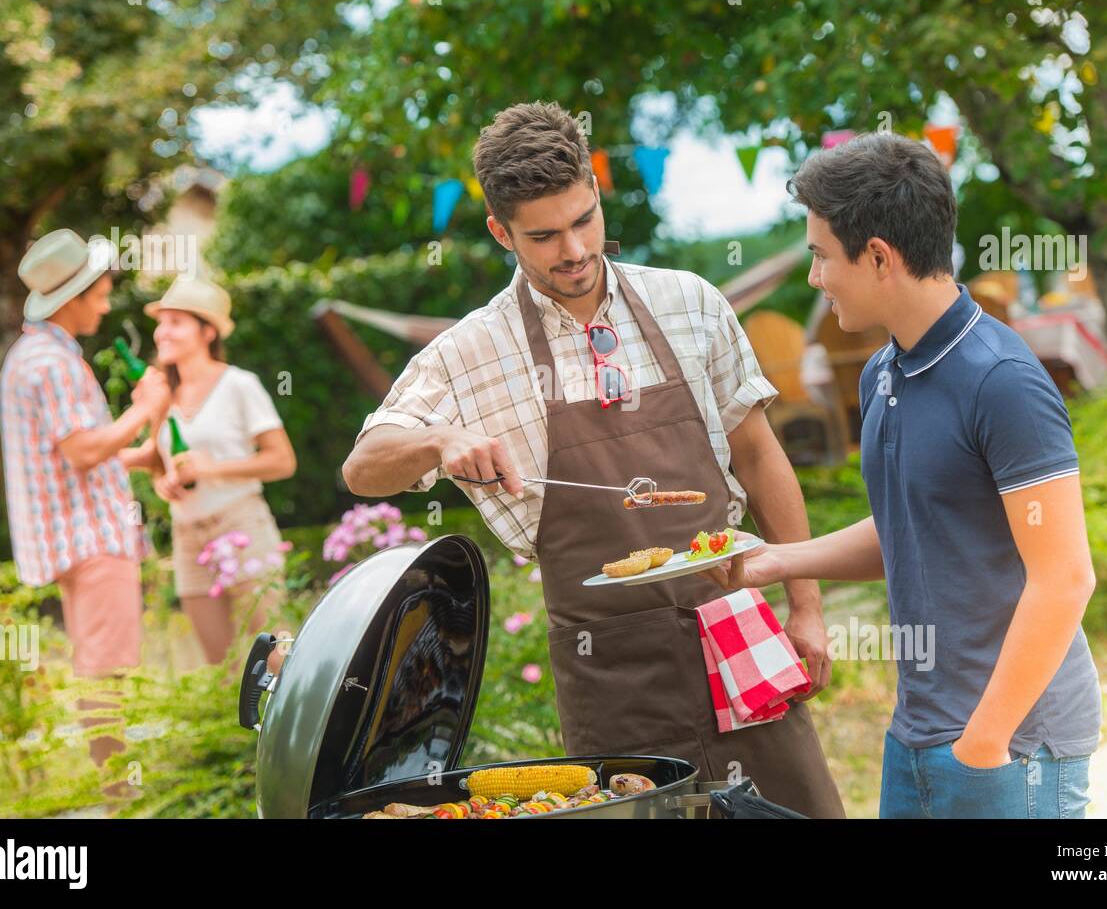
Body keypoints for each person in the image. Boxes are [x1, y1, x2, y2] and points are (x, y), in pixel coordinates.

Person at [342, 101, 845, 817]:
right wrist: (437, 440)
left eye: (583, 221)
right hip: (607, 673)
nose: (573, 250)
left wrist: (807, 606)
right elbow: (363, 467)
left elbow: (761, 458)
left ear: (598, 195)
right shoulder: (470, 352)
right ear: (500, 232)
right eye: (543, 236)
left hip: (734, 629)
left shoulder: (691, 304)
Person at [710, 133, 1101, 818]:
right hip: (916, 738)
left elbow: (1065, 577)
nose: (814, 277)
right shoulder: (883, 371)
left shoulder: (1003, 380)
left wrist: (983, 743)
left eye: (821, 256)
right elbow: (912, 524)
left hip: (1013, 746)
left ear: (880, 257)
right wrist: (774, 560)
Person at [0, 228, 170, 790]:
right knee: (105, 673)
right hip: (93, 540)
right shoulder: (52, 362)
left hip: (76, 538)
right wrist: (144, 409)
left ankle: (119, 790)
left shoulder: (39, 355)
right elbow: (82, 449)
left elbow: (79, 454)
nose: (104, 302)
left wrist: (141, 457)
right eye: (99, 293)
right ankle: (123, 796)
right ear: (72, 298)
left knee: (100, 667)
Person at [121, 276, 296, 666]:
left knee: (275, 652)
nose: (161, 332)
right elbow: (159, 457)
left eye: (175, 322)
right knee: (219, 661)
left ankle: (302, 723)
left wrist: (213, 468)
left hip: (241, 524)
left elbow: (282, 461)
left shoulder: (239, 385)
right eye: (161, 322)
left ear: (208, 330)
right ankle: (243, 728)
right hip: (188, 535)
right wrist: (161, 480)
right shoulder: (161, 393)